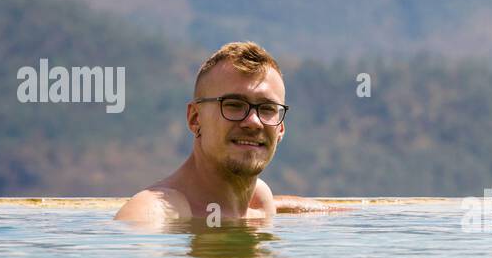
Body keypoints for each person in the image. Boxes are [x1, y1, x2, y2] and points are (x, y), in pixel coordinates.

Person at [114, 41, 334, 223]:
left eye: (267, 109)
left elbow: (286, 205)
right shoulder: (159, 212)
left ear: (281, 129)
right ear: (195, 118)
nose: (253, 122)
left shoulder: (259, 200)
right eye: (234, 104)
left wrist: (349, 214)